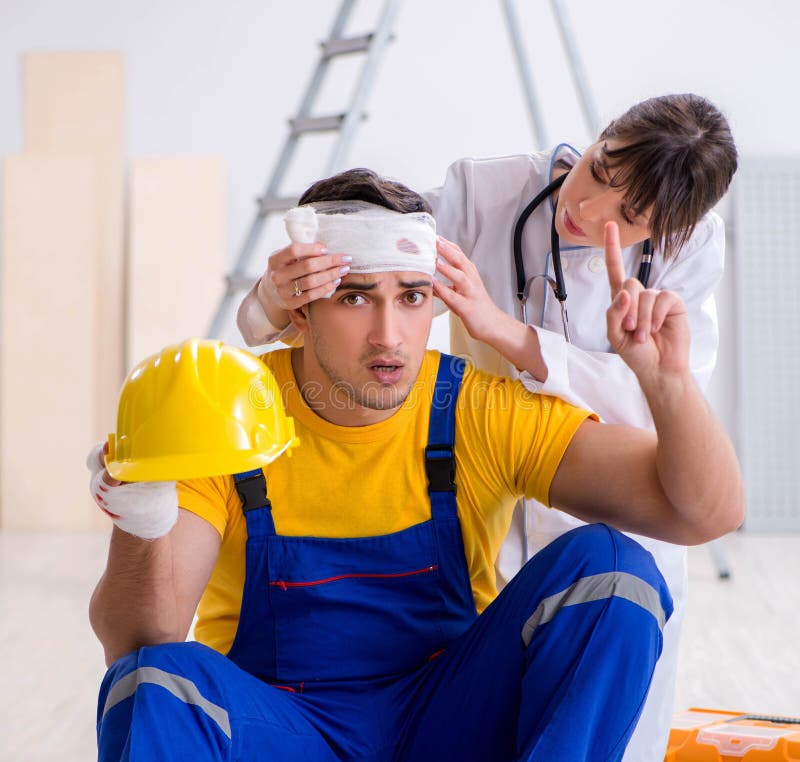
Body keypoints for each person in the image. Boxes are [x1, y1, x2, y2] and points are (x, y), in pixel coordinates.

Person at [89, 169, 743, 761]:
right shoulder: (232, 413)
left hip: (450, 725)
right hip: (285, 731)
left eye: (410, 297)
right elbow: (142, 641)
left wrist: (670, 386)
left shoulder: (474, 410)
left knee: (612, 572)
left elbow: (702, 514)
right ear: (300, 305)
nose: (390, 336)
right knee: (150, 685)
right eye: (353, 298)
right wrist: (140, 521)